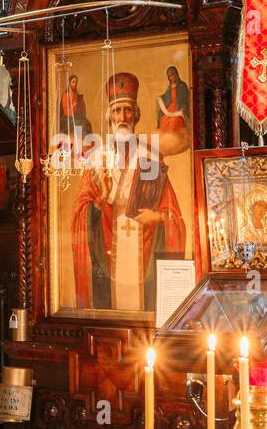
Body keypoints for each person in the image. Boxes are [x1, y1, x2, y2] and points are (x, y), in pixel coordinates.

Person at [71, 72, 185, 311]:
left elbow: (173, 214)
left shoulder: (151, 158)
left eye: (128, 110)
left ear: (137, 114)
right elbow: (79, 217)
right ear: (108, 117)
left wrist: (158, 217)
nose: (122, 117)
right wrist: (100, 201)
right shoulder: (96, 161)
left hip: (145, 259)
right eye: (116, 111)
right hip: (106, 261)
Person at [155, 65, 190, 155]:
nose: (172, 77)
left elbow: (185, 99)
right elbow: (167, 97)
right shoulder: (169, 87)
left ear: (176, 74)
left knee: (174, 121)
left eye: (173, 75)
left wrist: (181, 110)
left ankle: (174, 143)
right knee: (164, 120)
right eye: (170, 76)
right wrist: (160, 97)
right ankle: (165, 144)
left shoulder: (182, 86)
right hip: (171, 108)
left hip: (179, 108)